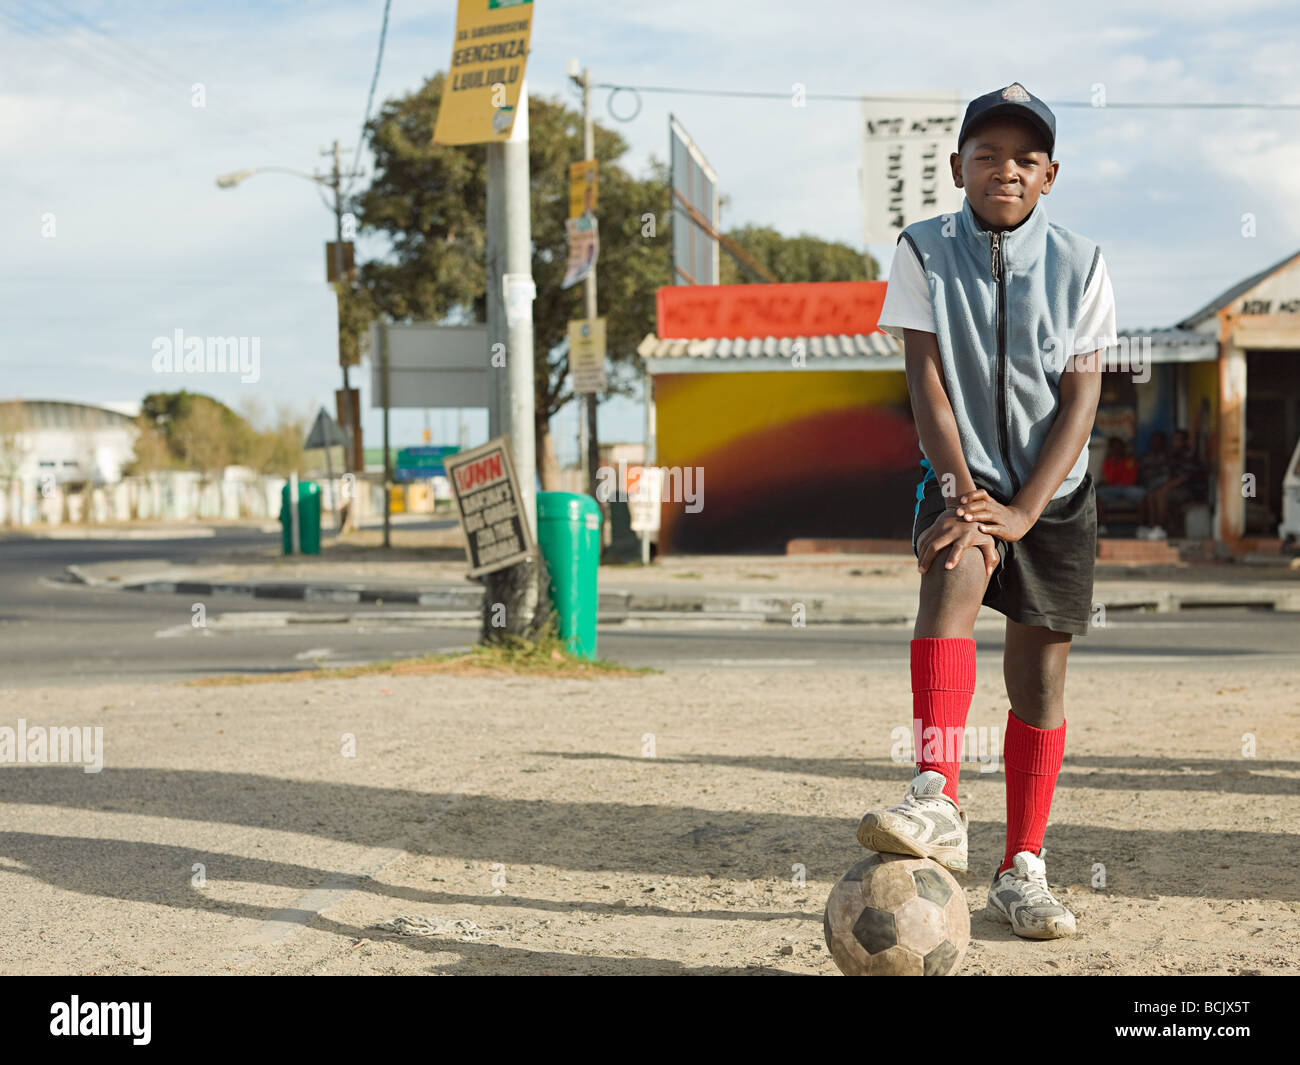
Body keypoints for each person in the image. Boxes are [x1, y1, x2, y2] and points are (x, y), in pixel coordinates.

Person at [868, 82, 1116, 940]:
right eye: (986, 155)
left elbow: (1082, 397)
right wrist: (961, 492)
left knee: (1037, 681)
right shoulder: (923, 250)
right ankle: (936, 795)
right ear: (957, 166)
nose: (1004, 169)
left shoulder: (1082, 262)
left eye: (1024, 158)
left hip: (1057, 489)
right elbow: (924, 379)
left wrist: (1027, 510)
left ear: (1049, 174)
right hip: (963, 478)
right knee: (951, 571)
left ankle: (1023, 869)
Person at [1147, 429, 1206, 536]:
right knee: (1152, 494)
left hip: (1192, 491)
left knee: (1161, 495)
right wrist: (1163, 486)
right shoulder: (1174, 455)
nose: (1175, 442)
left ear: (1185, 441)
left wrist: (1166, 487)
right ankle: (1152, 527)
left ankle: (1161, 528)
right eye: (1173, 440)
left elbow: (1185, 477)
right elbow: (1170, 475)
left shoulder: (1189, 454)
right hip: (1178, 490)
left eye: (1178, 440)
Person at [1096, 436, 1146, 533]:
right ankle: (1102, 526)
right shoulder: (1108, 462)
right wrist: (1115, 464)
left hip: (1127, 488)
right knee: (1095, 495)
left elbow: (1131, 479)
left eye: (1119, 447)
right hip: (1112, 488)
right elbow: (1109, 479)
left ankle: (1142, 526)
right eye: (1114, 447)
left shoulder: (1129, 460)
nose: (1117, 450)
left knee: (1143, 494)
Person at [1135, 431, 1172, 539]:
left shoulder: (1168, 457)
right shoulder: (1146, 457)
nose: (1155, 444)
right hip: (1146, 485)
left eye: (1158, 441)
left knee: (1155, 495)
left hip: (1163, 485)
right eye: (1154, 441)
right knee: (1144, 495)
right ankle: (1148, 527)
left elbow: (1170, 475)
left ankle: (1158, 527)